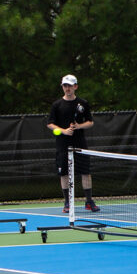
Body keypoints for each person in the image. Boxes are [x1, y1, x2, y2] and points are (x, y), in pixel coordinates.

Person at [48, 74, 98, 213]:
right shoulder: (56, 105)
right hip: (63, 144)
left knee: (85, 172)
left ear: (75, 86)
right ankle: (67, 202)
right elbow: (50, 124)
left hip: (80, 143)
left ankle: (89, 201)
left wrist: (79, 126)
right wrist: (63, 131)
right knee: (64, 173)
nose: (67, 88)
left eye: (70, 85)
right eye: (65, 85)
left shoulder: (83, 103)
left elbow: (90, 122)